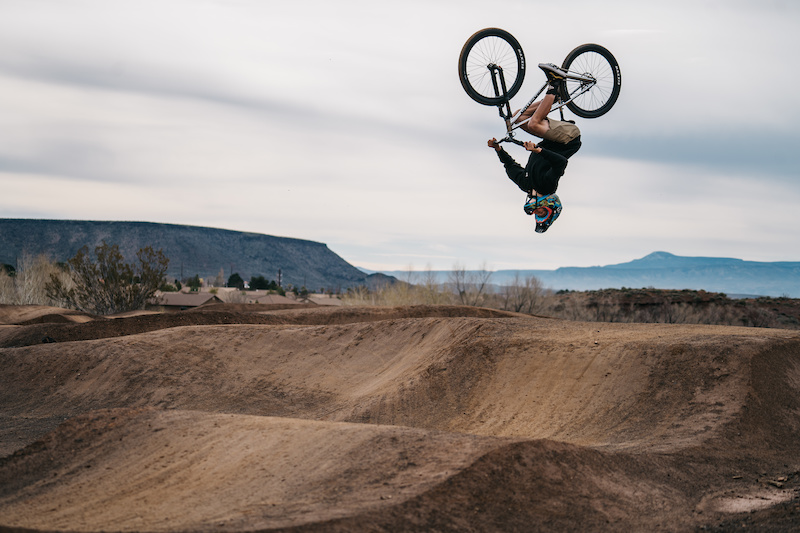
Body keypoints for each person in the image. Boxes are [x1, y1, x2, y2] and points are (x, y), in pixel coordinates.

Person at [488, 63, 582, 233]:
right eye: (541, 212)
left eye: (536, 214)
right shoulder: (548, 186)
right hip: (569, 139)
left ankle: (556, 95)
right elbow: (560, 163)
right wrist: (538, 150)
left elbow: (510, 167)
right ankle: (555, 83)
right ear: (550, 206)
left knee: (517, 116)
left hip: (552, 137)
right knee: (533, 123)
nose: (536, 212)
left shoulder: (526, 184)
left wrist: (498, 149)